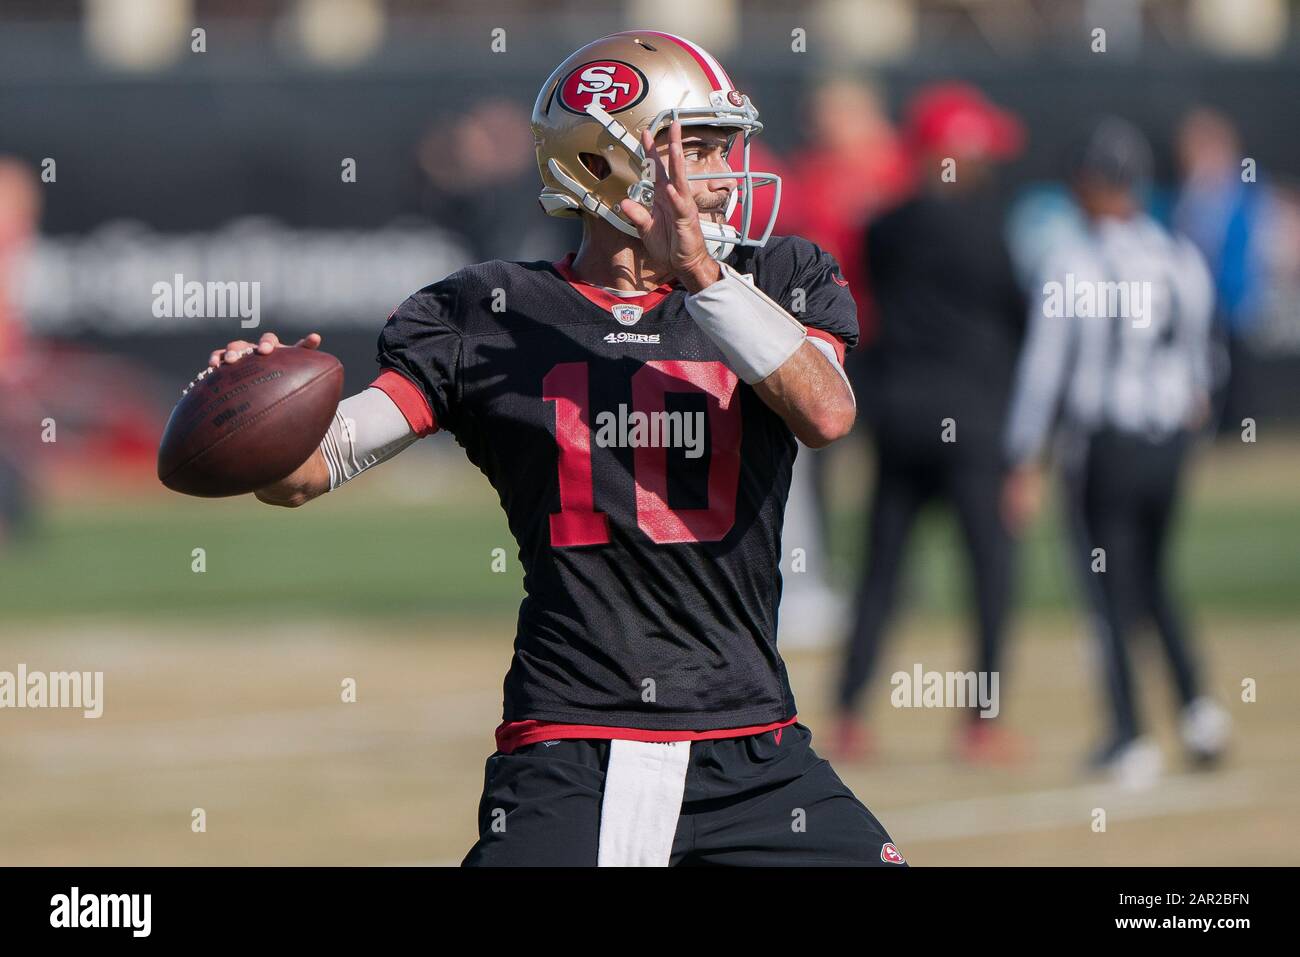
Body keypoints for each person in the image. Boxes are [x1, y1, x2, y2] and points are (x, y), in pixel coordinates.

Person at [201, 32, 904, 867]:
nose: (724, 177)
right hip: (577, 743)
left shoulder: (776, 278)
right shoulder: (491, 312)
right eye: (701, 149)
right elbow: (311, 469)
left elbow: (826, 412)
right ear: (607, 167)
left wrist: (705, 282)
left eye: (727, 147)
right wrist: (247, 415)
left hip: (756, 742)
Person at [1002, 116, 1231, 789]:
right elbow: (1206, 366)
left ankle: (1130, 735)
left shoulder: (1074, 260)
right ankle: (1199, 710)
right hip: (1167, 443)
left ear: (1094, 184)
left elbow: (1044, 370)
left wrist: (1021, 458)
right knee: (1154, 577)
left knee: (1107, 590)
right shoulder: (1177, 254)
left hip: (1105, 446)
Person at [833, 84, 1028, 764]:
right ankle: (981, 722)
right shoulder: (990, 227)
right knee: (991, 573)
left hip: (900, 418)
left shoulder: (883, 227)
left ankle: (848, 713)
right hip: (975, 424)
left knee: (882, 574)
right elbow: (1018, 322)